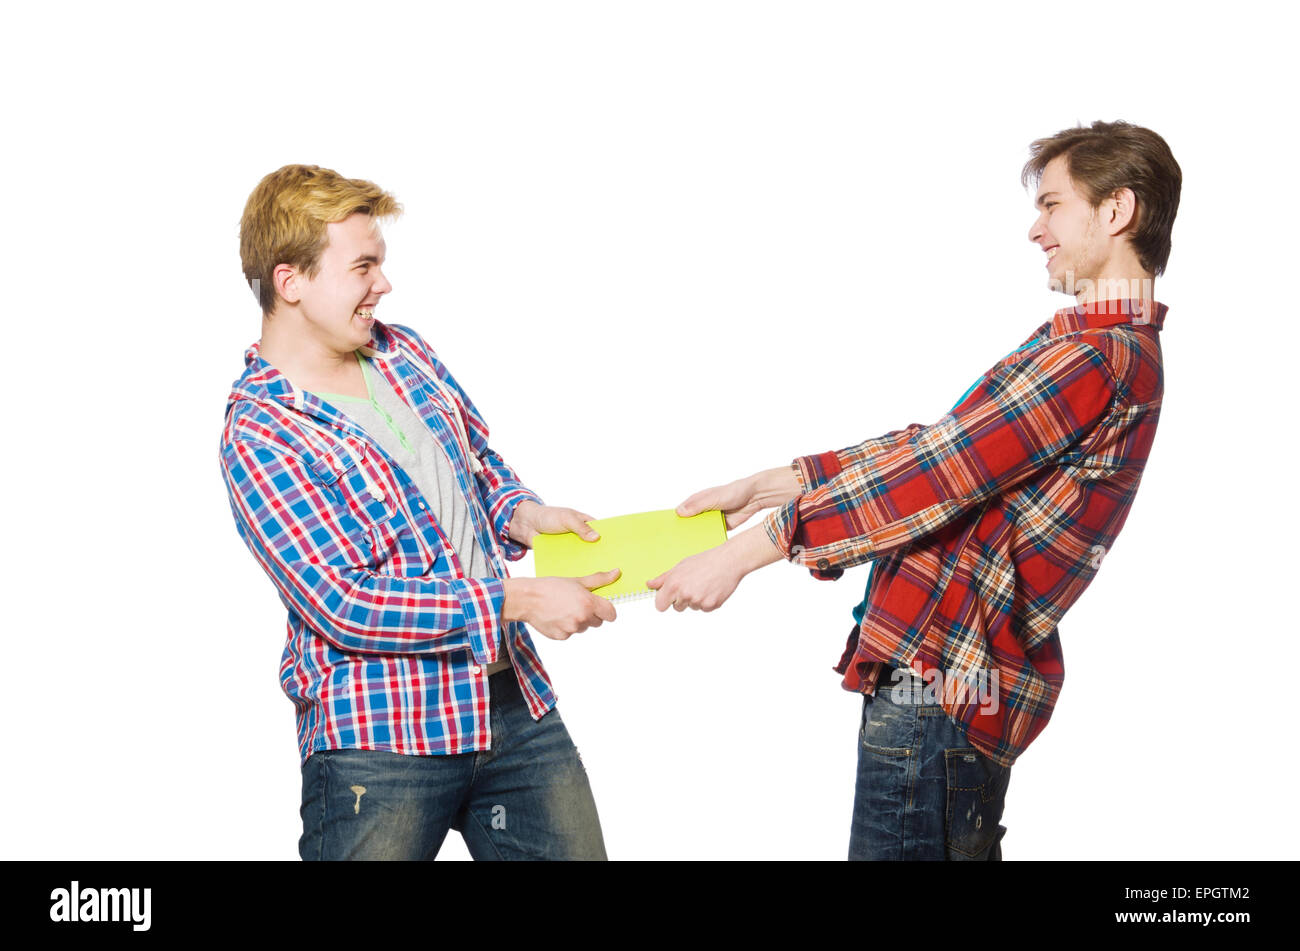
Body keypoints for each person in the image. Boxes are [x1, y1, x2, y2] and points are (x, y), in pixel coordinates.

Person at [647, 121, 1182, 860]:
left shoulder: (1098, 357)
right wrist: (778, 483)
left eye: (1053, 205)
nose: (1036, 228)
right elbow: (938, 447)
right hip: (938, 691)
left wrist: (746, 553)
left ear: (1116, 210)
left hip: (939, 695)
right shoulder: (1086, 347)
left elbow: (934, 477)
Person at [220, 164, 618, 860]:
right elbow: (345, 601)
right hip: (382, 738)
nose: (384, 283)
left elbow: (478, 466)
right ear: (291, 282)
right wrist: (520, 599)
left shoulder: (405, 354)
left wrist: (526, 515)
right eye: (364, 266)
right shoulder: (261, 431)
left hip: (511, 708)